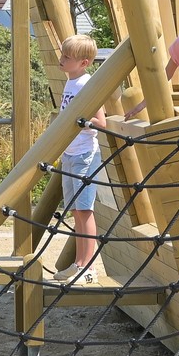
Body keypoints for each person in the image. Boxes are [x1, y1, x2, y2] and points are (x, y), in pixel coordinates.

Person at [53, 33, 108, 279]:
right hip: (70, 153)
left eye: (68, 56)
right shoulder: (70, 82)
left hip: (85, 154)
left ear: (83, 62)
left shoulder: (87, 84)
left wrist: (82, 122)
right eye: (63, 54)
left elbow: (101, 122)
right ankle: (78, 263)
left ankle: (88, 267)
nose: (62, 59)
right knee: (75, 211)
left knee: (85, 211)